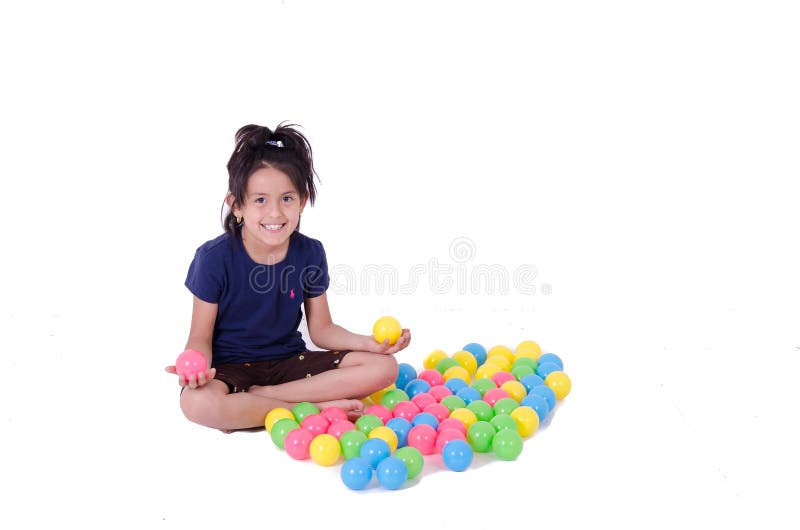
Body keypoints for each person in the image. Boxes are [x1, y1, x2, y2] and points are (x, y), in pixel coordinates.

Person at [165, 123, 410, 432]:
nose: (275, 213)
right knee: (196, 403)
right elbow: (199, 337)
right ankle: (309, 410)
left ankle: (263, 400)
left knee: (383, 367)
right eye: (260, 200)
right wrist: (195, 366)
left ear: (302, 201)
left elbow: (321, 329)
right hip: (229, 370)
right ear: (236, 205)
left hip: (288, 364)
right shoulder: (214, 257)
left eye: (287, 199)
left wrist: (369, 344)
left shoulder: (309, 252)